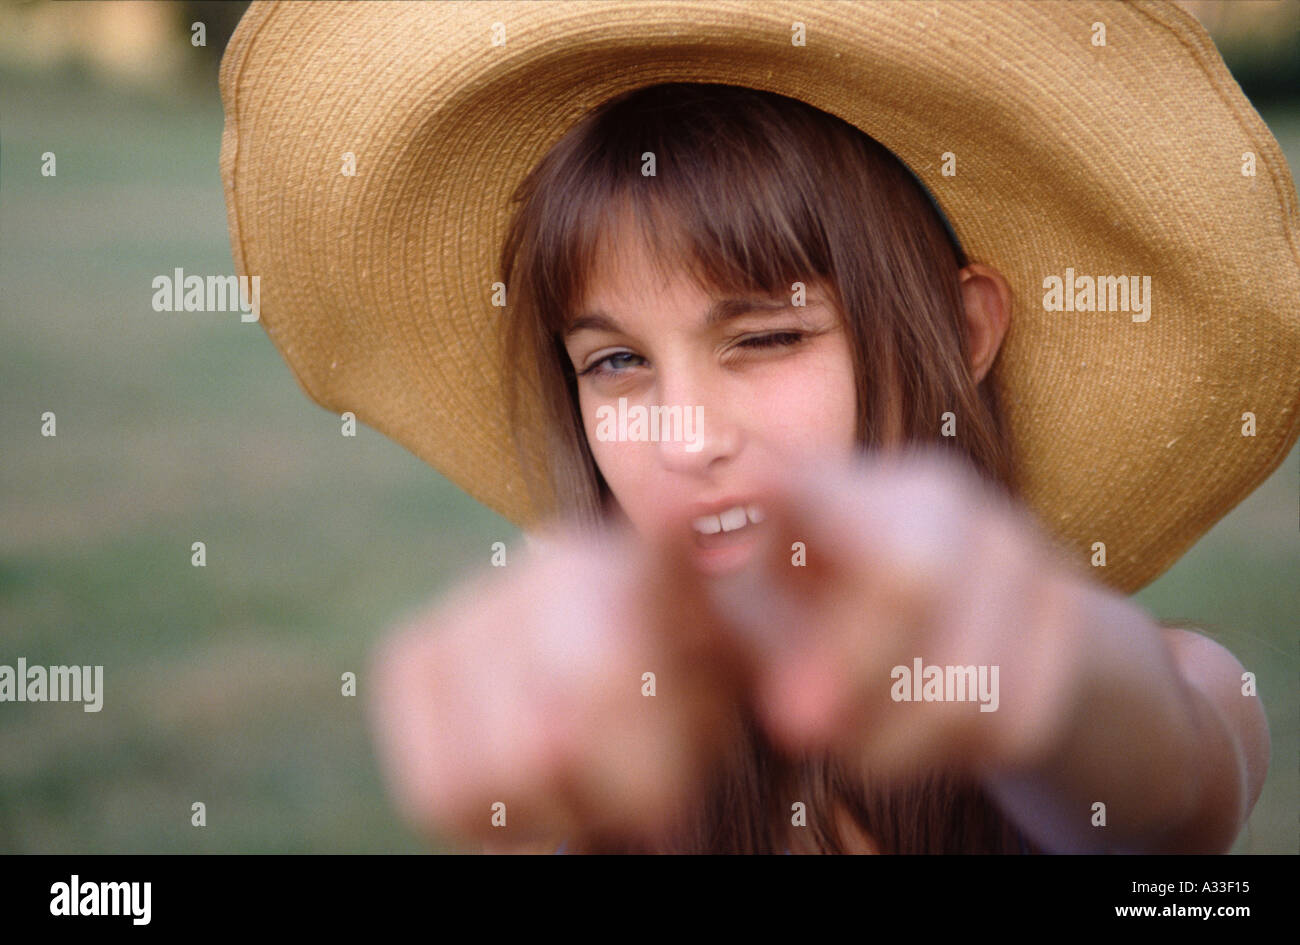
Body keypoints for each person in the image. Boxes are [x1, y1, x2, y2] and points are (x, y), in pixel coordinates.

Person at [218, 1, 1298, 854]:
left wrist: (1029, 652)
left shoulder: (1176, 694)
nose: (687, 439)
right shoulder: (581, 766)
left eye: (768, 339)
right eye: (617, 362)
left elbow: (1168, 783)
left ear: (965, 331)